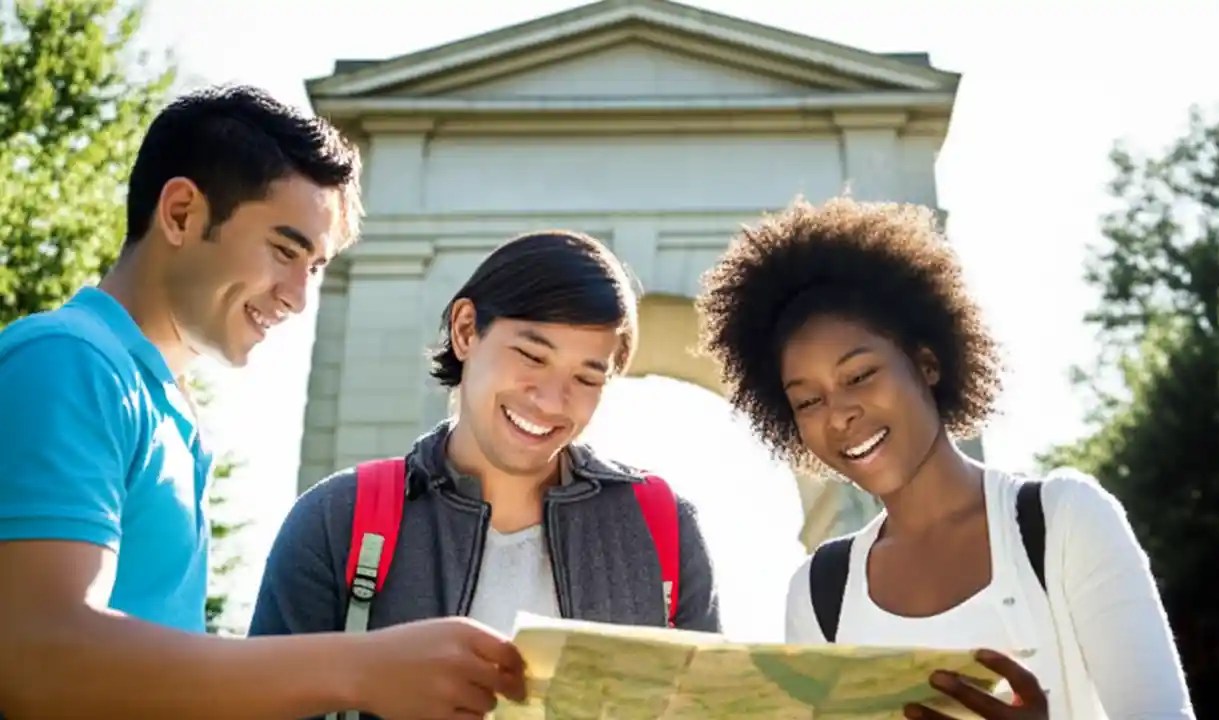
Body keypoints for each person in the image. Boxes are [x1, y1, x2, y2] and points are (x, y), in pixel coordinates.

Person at [0, 84, 525, 720]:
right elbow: (35, 656)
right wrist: (358, 668)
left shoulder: (171, 409)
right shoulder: (67, 360)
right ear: (181, 213)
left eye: (317, 265)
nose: (299, 296)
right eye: (285, 250)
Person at [694, 197, 1195, 719]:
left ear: (927, 364)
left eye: (860, 375)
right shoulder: (820, 592)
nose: (839, 414)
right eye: (808, 400)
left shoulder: (1063, 522)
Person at [249, 230, 720, 661]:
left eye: (586, 377)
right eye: (532, 356)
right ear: (466, 330)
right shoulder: (339, 519)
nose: (552, 401)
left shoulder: (664, 529)